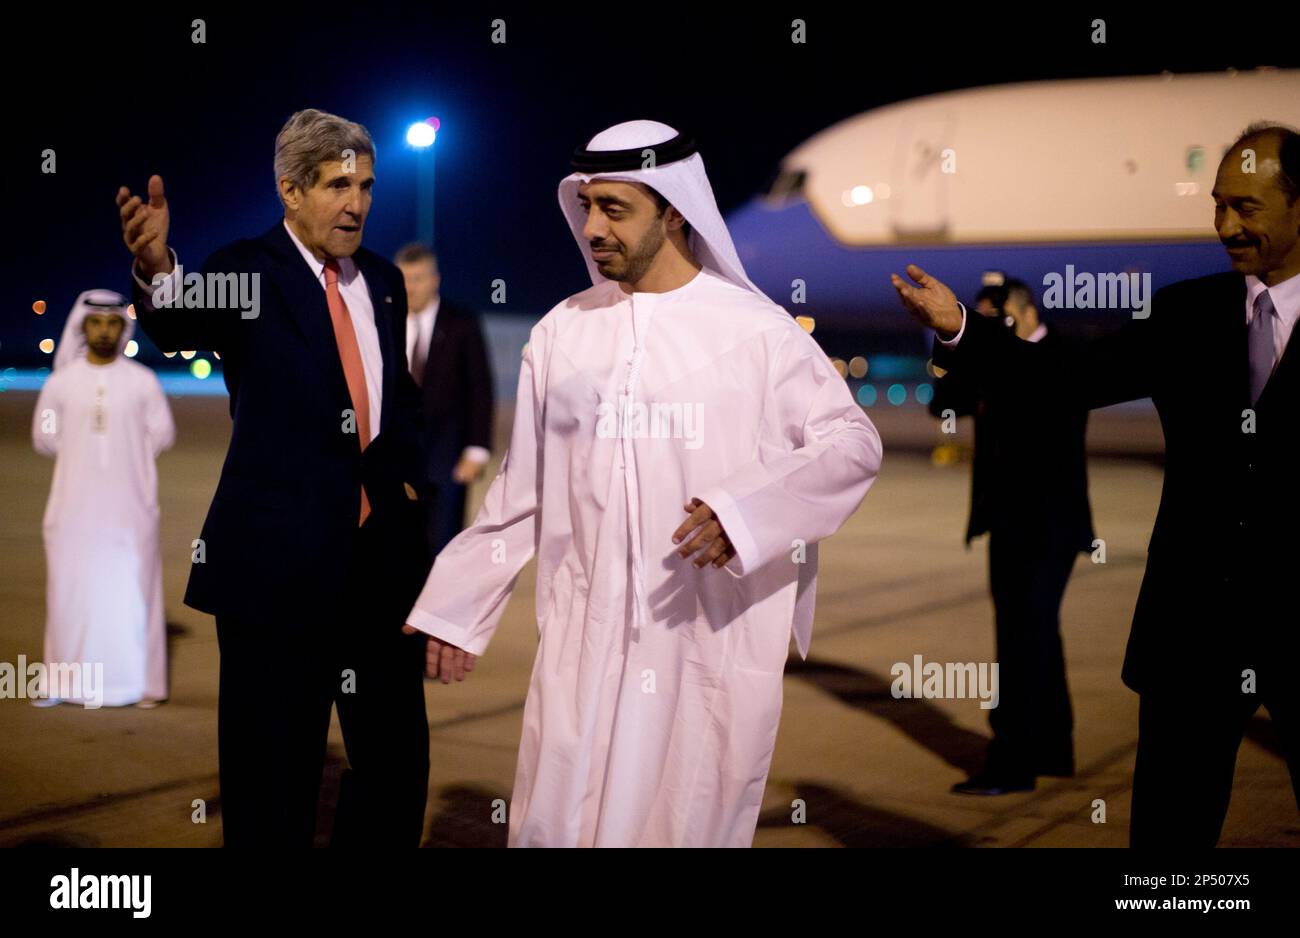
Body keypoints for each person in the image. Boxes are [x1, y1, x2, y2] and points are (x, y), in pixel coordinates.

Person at [402, 120, 883, 847]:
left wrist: (744, 514)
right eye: (586, 205)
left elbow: (852, 444)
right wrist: (458, 601)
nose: (592, 227)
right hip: (580, 644)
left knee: (681, 817)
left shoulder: (758, 333)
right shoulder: (562, 333)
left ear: (675, 211)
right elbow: (521, 490)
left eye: (614, 209)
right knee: (558, 818)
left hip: (705, 642)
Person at [893, 122, 1300, 847]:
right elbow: (1064, 379)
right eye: (1217, 205)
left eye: (1248, 206)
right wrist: (961, 327)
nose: (1225, 225)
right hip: (1194, 633)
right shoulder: (1188, 312)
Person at [116, 109, 432, 847]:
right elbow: (181, 323)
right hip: (274, 574)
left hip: (377, 571)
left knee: (396, 765)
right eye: (336, 185)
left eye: (367, 185)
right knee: (271, 779)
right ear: (290, 190)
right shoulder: (246, 273)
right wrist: (159, 269)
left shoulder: (383, 282)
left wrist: (413, 495)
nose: (357, 203)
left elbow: (401, 404)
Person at [929, 278, 1094, 794]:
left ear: (1021, 313)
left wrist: (997, 356)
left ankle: (1012, 763)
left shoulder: (1063, 355)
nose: (982, 329)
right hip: (1006, 523)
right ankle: (1053, 747)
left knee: (1022, 639)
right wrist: (953, 341)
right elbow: (942, 405)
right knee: (1038, 634)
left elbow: (1044, 404)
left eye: (988, 320)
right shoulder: (988, 359)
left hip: (1051, 524)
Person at [31, 290, 175, 708]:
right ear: (82, 326)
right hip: (72, 510)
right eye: (96, 322)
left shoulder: (143, 382)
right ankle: (62, 684)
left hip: (130, 511)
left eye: (113, 323)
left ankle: (140, 685)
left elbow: (161, 433)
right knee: (70, 592)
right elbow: (44, 435)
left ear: (123, 328)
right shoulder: (60, 383)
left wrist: (121, 459)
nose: (105, 330)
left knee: (132, 595)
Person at [394, 243, 494, 556]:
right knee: (398, 546)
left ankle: (435, 606)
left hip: (447, 459)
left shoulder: (462, 323)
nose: (410, 287)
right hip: (396, 461)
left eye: (418, 278)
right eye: (404, 279)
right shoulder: (385, 322)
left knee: (443, 546)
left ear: (434, 279)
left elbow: (480, 387)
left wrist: (476, 450)